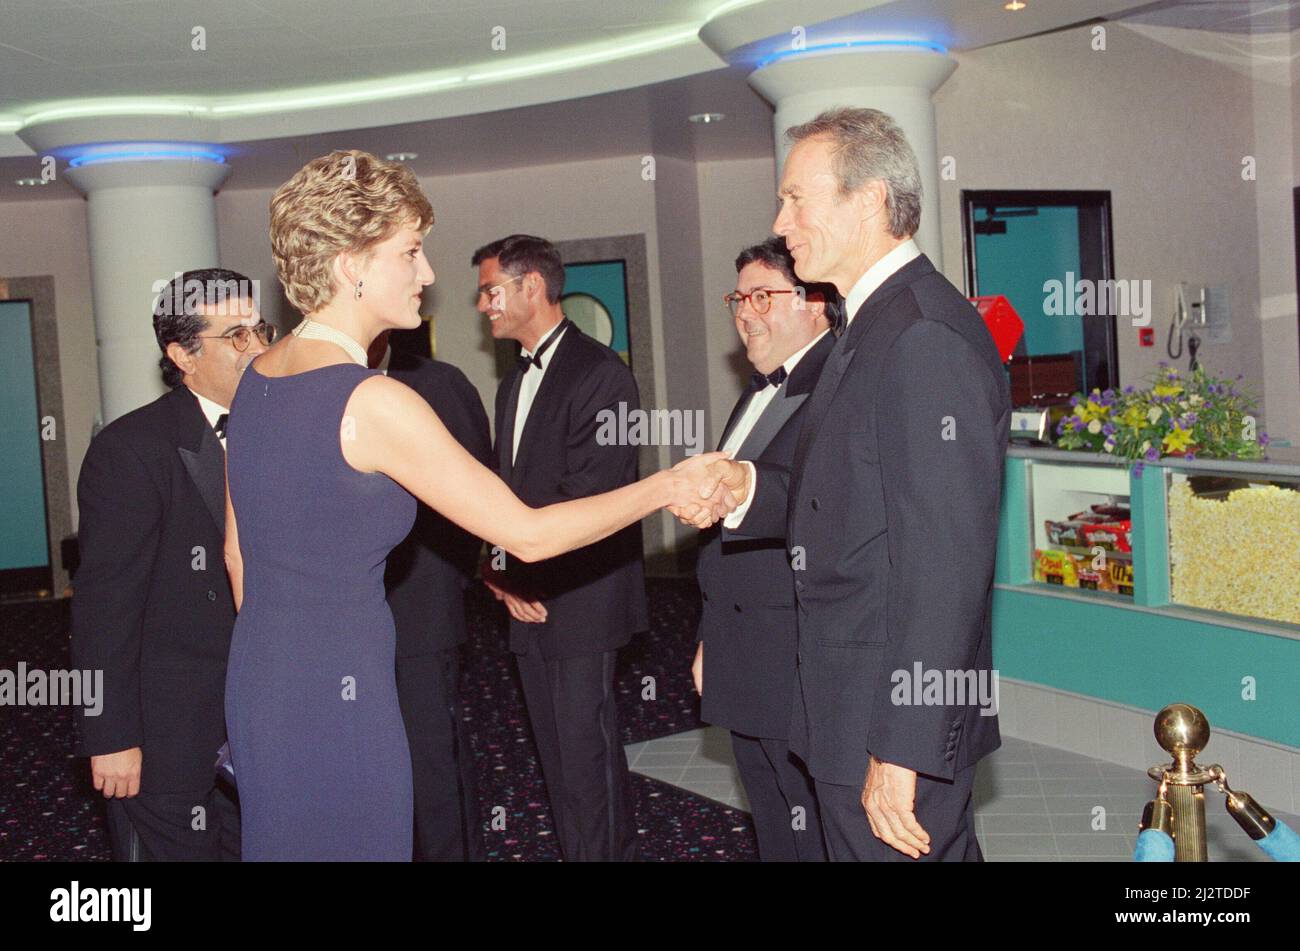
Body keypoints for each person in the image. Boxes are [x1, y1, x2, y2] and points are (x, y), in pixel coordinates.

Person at [223, 151, 732, 861]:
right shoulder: (372, 401)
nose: (428, 275)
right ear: (351, 266)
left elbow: (236, 552)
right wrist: (667, 484)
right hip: (345, 689)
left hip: (260, 679)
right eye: (410, 251)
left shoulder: (256, 379)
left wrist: (279, 667)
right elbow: (524, 534)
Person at [693, 108, 1011, 861]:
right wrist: (742, 487)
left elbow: (946, 566)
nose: (782, 219)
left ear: (869, 199)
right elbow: (840, 497)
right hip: (846, 704)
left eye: (797, 198)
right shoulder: (868, 326)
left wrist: (903, 749)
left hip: (891, 719)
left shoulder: (922, 334)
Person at [70, 268, 270, 860]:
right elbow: (103, 606)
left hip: (265, 712)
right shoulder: (130, 449)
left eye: (260, 328)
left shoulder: (285, 431)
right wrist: (110, 736)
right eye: (235, 336)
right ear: (182, 354)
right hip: (169, 729)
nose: (257, 347)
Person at [473, 234, 647, 862]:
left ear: (532, 288)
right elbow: (501, 491)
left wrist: (522, 574)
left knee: (586, 758)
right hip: (525, 593)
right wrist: (498, 573)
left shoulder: (602, 374)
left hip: (581, 596)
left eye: (491, 290)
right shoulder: (510, 383)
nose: (483, 305)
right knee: (555, 757)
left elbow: (591, 495)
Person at [692, 237, 836, 862]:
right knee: (773, 823)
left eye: (762, 296)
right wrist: (710, 638)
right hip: (744, 647)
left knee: (815, 827)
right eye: (738, 298)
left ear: (816, 305)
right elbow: (727, 537)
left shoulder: (839, 383)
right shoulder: (758, 390)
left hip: (800, 655)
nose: (745, 312)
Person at [371, 330, 492, 862]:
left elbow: (479, 494)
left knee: (430, 757)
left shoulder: (437, 384)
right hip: (342, 615)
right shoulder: (319, 385)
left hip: (419, 606)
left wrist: (457, 578)